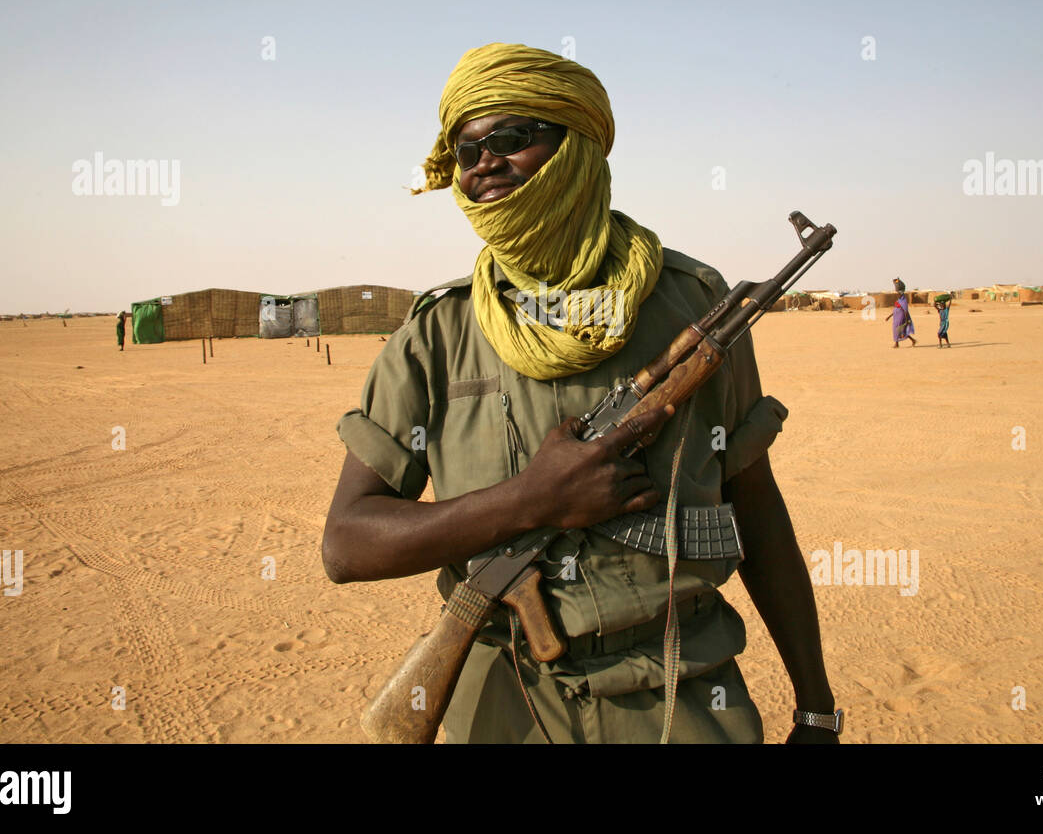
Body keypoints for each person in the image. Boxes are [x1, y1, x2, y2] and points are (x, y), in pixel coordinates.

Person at [322, 43, 838, 744]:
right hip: (503, 703)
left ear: (578, 149)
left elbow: (755, 507)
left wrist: (814, 706)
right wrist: (528, 503)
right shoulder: (437, 335)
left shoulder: (692, 307)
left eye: (511, 138)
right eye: (466, 149)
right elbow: (347, 545)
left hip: (681, 690)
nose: (484, 164)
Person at [885, 281, 916, 347]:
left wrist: (907, 319)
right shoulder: (899, 300)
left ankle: (897, 343)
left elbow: (905, 310)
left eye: (898, 293)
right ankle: (911, 340)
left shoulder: (903, 300)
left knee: (899, 330)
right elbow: (895, 309)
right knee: (896, 329)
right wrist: (889, 316)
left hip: (901, 317)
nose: (897, 294)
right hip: (896, 317)